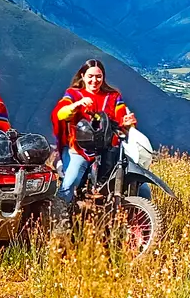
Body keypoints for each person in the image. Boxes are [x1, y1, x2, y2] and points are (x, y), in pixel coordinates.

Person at [51, 59, 138, 203]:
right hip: (79, 149)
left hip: (108, 150)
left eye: (98, 76)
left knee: (139, 185)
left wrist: (128, 123)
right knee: (71, 182)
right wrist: (77, 105)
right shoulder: (73, 94)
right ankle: (59, 214)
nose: (94, 80)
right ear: (83, 76)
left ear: (103, 77)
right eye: (90, 76)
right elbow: (60, 114)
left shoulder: (113, 96)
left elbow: (121, 119)